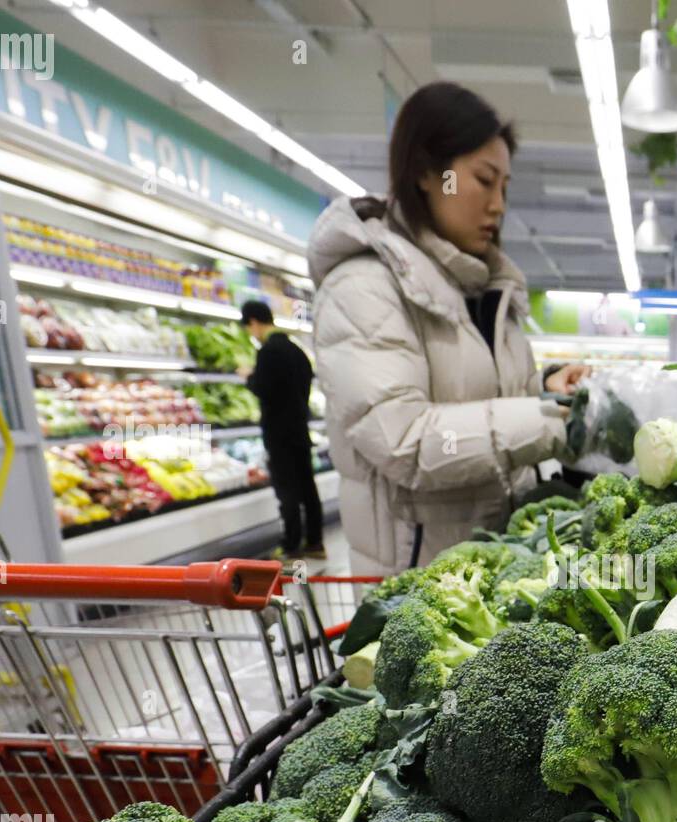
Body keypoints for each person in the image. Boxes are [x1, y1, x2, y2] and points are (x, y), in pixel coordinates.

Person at [307, 82, 586, 577]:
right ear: (426, 173)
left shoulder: (483, 290)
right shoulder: (364, 289)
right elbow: (406, 440)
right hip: (417, 594)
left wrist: (546, 390)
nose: (499, 204)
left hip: (493, 578)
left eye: (505, 185)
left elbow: (487, 399)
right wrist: (548, 421)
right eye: (483, 180)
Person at [240, 300, 324, 560]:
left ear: (253, 322)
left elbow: (264, 388)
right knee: (308, 487)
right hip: (299, 428)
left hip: (278, 433)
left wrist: (249, 378)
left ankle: (291, 544)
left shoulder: (267, 352)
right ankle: (315, 543)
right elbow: (305, 382)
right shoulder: (295, 349)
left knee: (287, 490)